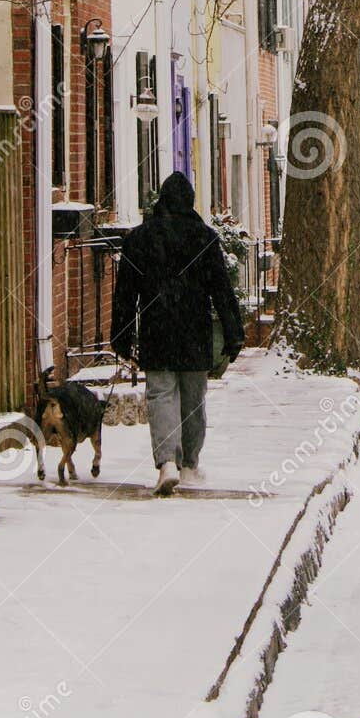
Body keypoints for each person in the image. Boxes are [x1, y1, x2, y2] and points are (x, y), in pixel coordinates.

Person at [111, 171, 245, 495]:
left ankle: (166, 462)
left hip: (157, 329)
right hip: (193, 331)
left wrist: (122, 335)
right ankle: (189, 465)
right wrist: (233, 333)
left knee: (160, 395)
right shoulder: (205, 239)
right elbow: (221, 291)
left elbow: (125, 293)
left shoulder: (138, 240)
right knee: (193, 399)